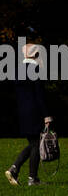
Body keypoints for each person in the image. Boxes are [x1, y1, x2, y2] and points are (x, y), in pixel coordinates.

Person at [6, 40, 50, 186]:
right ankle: (31, 177)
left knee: (33, 143)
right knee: (36, 144)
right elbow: (39, 96)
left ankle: (16, 170)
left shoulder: (17, 70)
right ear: (36, 54)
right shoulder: (36, 70)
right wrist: (46, 115)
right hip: (35, 112)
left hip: (22, 112)